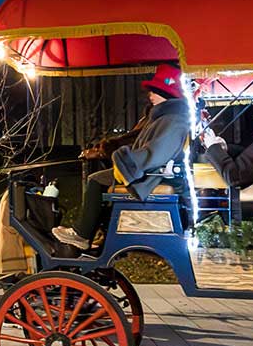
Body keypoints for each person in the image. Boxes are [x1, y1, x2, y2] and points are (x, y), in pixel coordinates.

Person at [53, 63, 192, 250]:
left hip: (152, 176)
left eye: (154, 91)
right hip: (152, 172)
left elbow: (156, 153)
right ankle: (97, 231)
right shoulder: (166, 119)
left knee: (95, 180)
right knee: (99, 178)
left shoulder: (172, 121)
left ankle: (83, 235)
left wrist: (126, 159)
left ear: (165, 94)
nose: (150, 95)